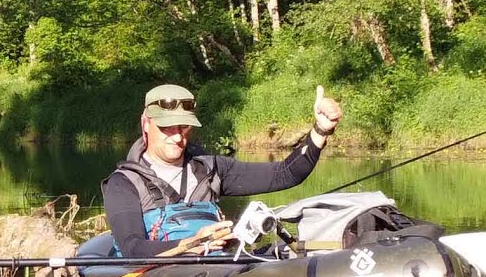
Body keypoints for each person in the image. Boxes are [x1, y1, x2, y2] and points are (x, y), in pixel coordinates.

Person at [102, 83, 342, 257]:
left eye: (184, 127)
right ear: (146, 124)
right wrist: (190, 243)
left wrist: (320, 131)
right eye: (168, 127)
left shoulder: (211, 168)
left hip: (216, 273)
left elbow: (285, 174)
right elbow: (132, 247)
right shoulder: (123, 184)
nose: (177, 137)